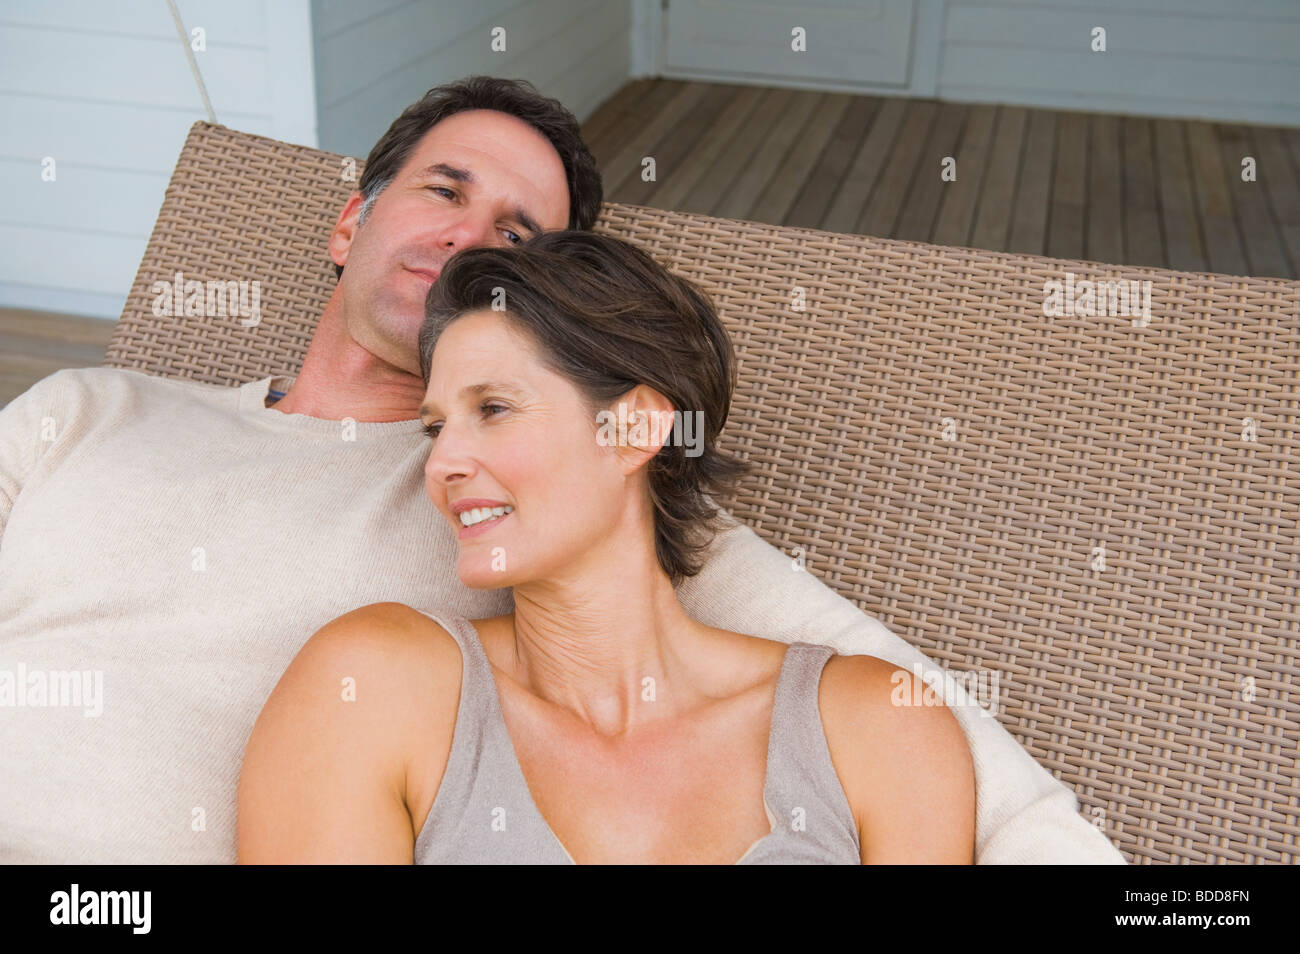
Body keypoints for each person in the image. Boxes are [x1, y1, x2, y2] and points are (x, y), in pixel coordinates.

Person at [0, 76, 1125, 863]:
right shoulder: (91, 409)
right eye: (445, 191)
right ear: (351, 221)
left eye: (519, 236)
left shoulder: (540, 496)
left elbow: (891, 717)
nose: (472, 239)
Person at [237, 230, 977, 864]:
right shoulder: (377, 683)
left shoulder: (875, 725)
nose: (441, 465)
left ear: (633, 431)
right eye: (436, 428)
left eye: (492, 409)